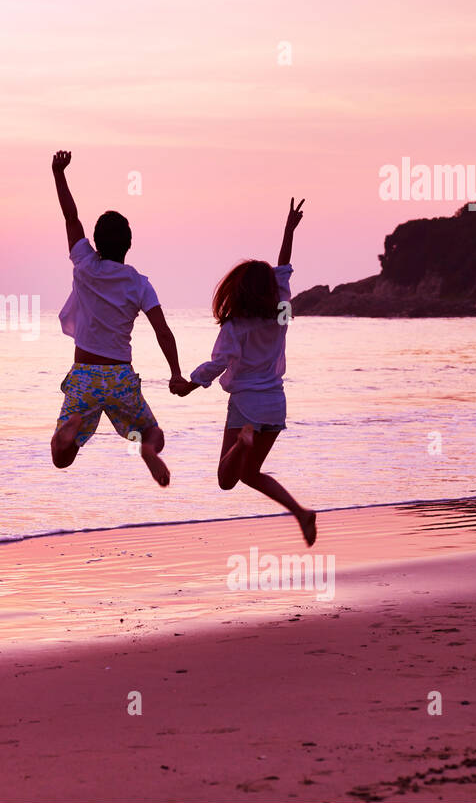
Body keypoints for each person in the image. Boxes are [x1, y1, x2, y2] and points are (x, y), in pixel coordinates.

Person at [171, 198, 317, 545]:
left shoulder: (235, 327)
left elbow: (218, 363)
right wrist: (288, 231)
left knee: (227, 478)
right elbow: (283, 272)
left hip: (247, 406)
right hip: (275, 404)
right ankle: (300, 512)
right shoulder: (281, 316)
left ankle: (241, 442)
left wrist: (190, 384)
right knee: (250, 474)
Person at [49, 149, 184, 487]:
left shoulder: (84, 264)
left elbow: (70, 217)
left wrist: (59, 173)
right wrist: (176, 374)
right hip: (120, 376)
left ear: (94, 243)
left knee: (61, 458)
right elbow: (162, 332)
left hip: (85, 375)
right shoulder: (139, 284)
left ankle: (71, 427)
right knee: (154, 433)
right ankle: (147, 452)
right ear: (129, 245)